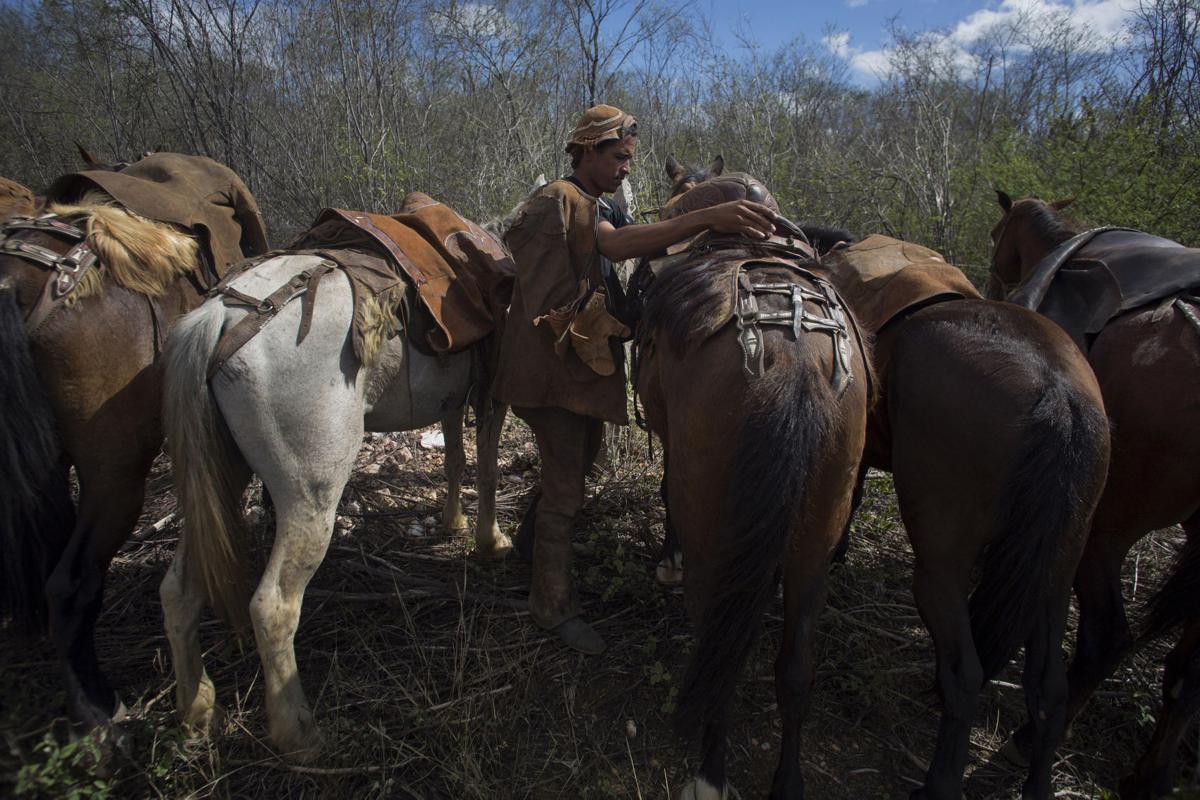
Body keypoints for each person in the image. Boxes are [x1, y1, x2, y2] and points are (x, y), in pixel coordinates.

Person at [494, 104, 778, 654]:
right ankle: (550, 606)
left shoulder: (599, 200)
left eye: (630, 158)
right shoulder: (560, 198)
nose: (627, 167)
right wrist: (705, 219)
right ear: (587, 151)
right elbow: (615, 245)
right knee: (566, 488)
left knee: (575, 464)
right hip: (550, 368)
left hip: (576, 364)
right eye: (619, 157)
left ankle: (530, 550)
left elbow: (634, 238)